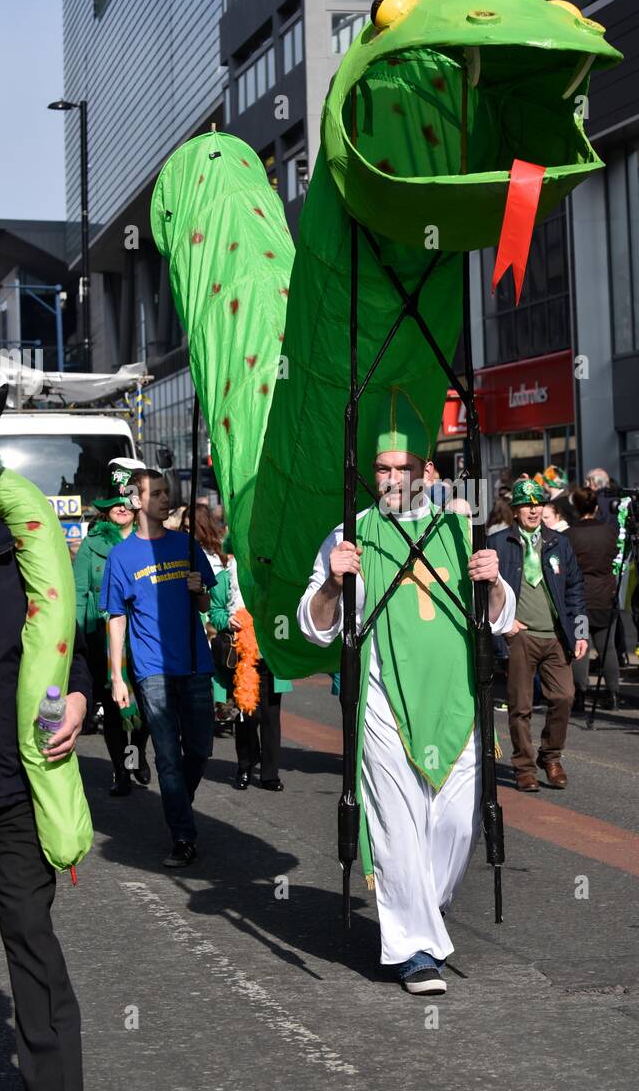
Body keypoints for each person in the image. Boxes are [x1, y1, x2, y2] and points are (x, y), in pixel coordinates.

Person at [298, 390, 516, 995]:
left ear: (425, 469)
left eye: (403, 468)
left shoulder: (460, 525)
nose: (392, 479)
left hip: (457, 700)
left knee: (455, 825)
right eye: (382, 469)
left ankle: (426, 907)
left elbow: (498, 619)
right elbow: (315, 625)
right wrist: (334, 584)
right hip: (381, 700)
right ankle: (414, 948)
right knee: (396, 824)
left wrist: (493, 583)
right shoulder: (351, 534)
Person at [0, 437, 105, 1091]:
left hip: (13, 786)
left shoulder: (29, 560)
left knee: (32, 938)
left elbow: (76, 656)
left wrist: (78, 702)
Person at [100, 469, 217, 868]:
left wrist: (198, 589)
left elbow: (205, 606)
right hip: (152, 670)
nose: (166, 500)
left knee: (200, 748)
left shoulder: (186, 544)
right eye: (157, 494)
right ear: (136, 500)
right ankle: (183, 835)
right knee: (167, 755)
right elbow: (116, 617)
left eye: (168, 493)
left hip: (196, 663)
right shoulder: (121, 557)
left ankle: (178, 800)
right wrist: (118, 676)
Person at [488, 477, 586, 791]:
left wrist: (579, 631)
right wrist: (504, 626)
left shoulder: (560, 542)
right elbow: (485, 591)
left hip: (556, 635)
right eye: (527, 505)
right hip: (519, 636)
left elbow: (575, 589)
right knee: (521, 706)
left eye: (538, 504)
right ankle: (524, 767)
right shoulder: (498, 543)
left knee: (564, 696)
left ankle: (551, 755)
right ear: (514, 510)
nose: (533, 510)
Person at [73, 491, 150, 796]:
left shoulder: (147, 543)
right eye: (115, 503)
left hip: (141, 636)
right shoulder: (91, 545)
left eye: (127, 502)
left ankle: (138, 753)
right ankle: (121, 771)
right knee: (115, 710)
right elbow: (78, 594)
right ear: (106, 510)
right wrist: (77, 638)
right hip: (101, 639)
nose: (121, 507)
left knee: (145, 704)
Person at [209, 549, 291, 791]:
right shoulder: (226, 578)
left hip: (270, 655)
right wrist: (227, 620)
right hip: (240, 657)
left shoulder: (273, 578)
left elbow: (285, 614)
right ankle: (244, 766)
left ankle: (270, 774)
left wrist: (282, 639)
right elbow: (215, 611)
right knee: (246, 716)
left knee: (270, 717)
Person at [567, 486, 620, 710]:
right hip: (606, 594)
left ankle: (580, 694)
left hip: (580, 597)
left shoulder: (570, 535)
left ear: (576, 508)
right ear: (596, 507)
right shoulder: (610, 531)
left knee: (581, 646)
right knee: (608, 647)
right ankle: (613, 694)